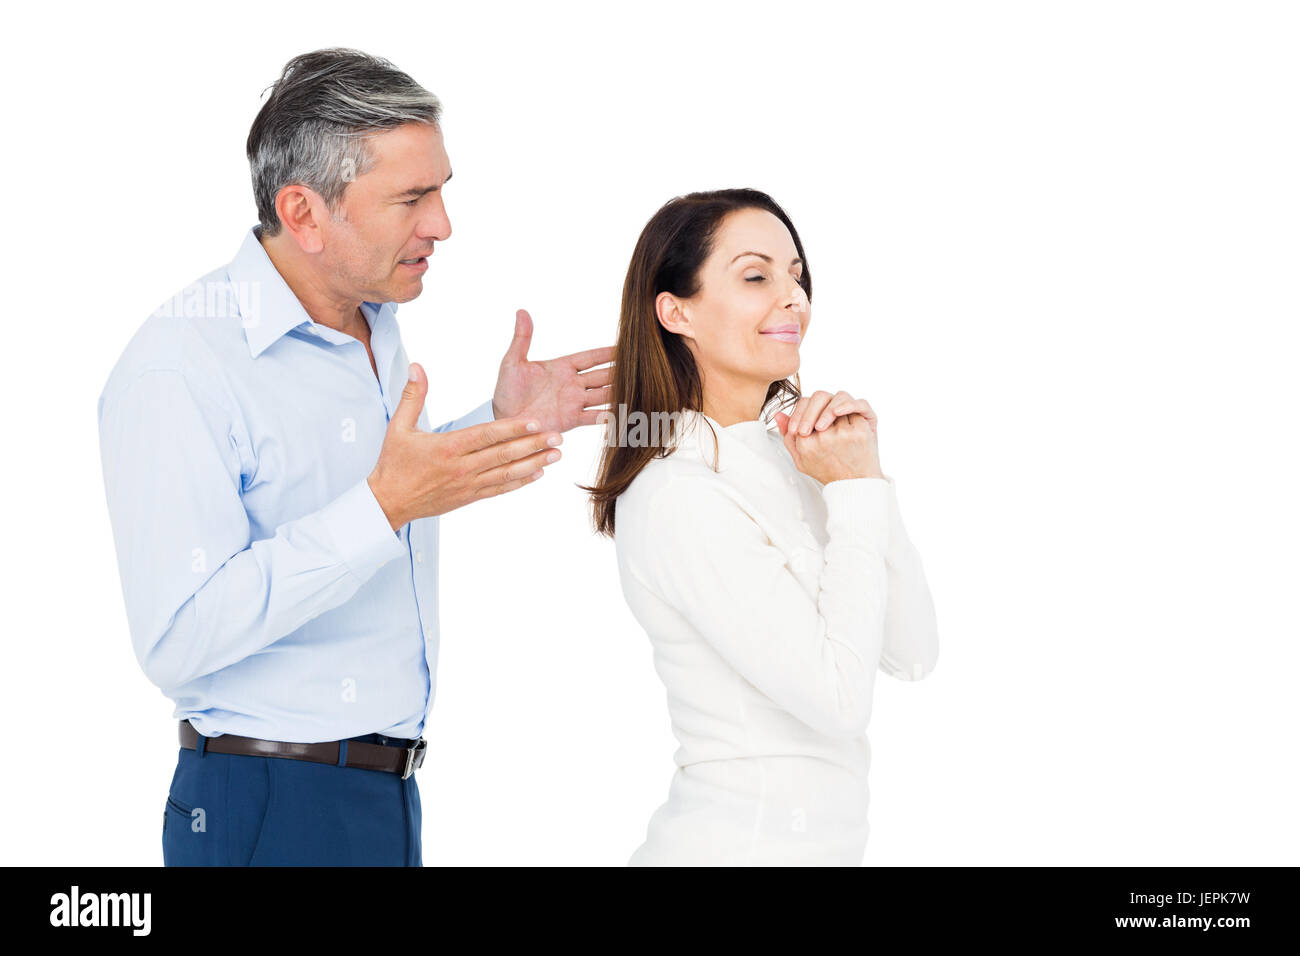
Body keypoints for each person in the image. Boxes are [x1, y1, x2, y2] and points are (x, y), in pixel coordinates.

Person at [97, 48, 612, 866]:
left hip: (382, 795)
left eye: (441, 190)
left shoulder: (367, 321)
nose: (442, 224)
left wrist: (504, 421)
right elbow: (177, 637)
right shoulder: (180, 368)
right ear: (303, 212)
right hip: (269, 805)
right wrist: (382, 510)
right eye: (413, 198)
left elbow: (376, 488)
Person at [585, 188, 939, 866]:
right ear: (676, 310)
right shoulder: (677, 495)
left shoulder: (803, 460)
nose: (793, 298)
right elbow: (838, 701)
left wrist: (861, 479)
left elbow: (914, 652)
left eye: (796, 276)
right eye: (756, 276)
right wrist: (855, 493)